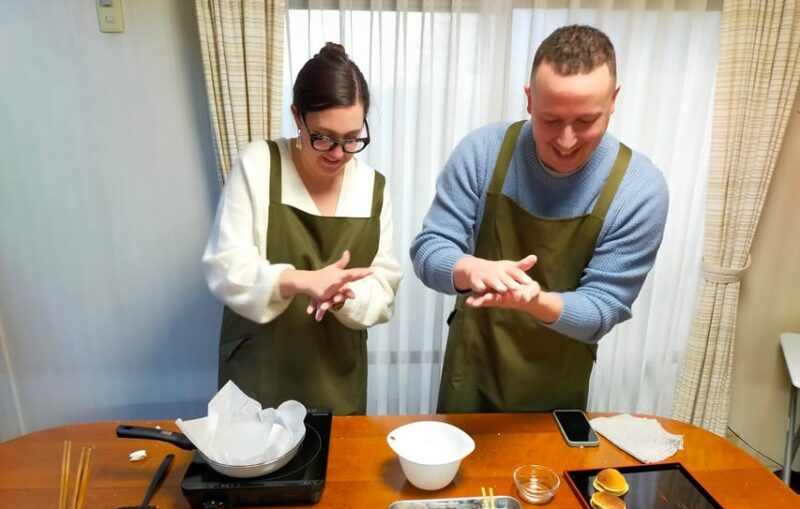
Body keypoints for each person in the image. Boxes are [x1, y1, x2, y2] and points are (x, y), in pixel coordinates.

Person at [410, 25, 668, 413]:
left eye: (586, 121)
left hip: (557, 383)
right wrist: (469, 268)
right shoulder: (483, 152)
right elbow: (429, 251)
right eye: (550, 120)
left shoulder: (639, 190)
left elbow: (603, 307)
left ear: (614, 100)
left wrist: (536, 301)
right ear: (529, 100)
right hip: (472, 370)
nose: (566, 141)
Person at [203, 43, 402, 415]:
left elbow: (384, 289)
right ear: (297, 117)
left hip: (336, 376)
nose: (338, 153)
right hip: (260, 372)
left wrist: (343, 296)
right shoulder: (259, 165)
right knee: (254, 449)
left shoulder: (372, 187)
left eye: (352, 138)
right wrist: (301, 280)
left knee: (335, 452)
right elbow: (225, 267)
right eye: (323, 137)